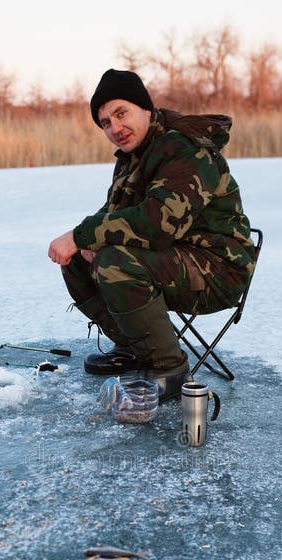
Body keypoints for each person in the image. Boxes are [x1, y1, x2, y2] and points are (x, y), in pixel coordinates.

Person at [48, 68, 256, 402]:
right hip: (172, 260)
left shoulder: (186, 149)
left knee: (116, 261)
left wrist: (85, 235)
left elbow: (159, 224)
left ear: (146, 109)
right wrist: (84, 241)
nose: (115, 128)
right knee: (76, 259)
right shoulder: (133, 158)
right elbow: (113, 214)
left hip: (218, 269)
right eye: (105, 123)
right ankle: (133, 348)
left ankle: (169, 369)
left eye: (121, 113)